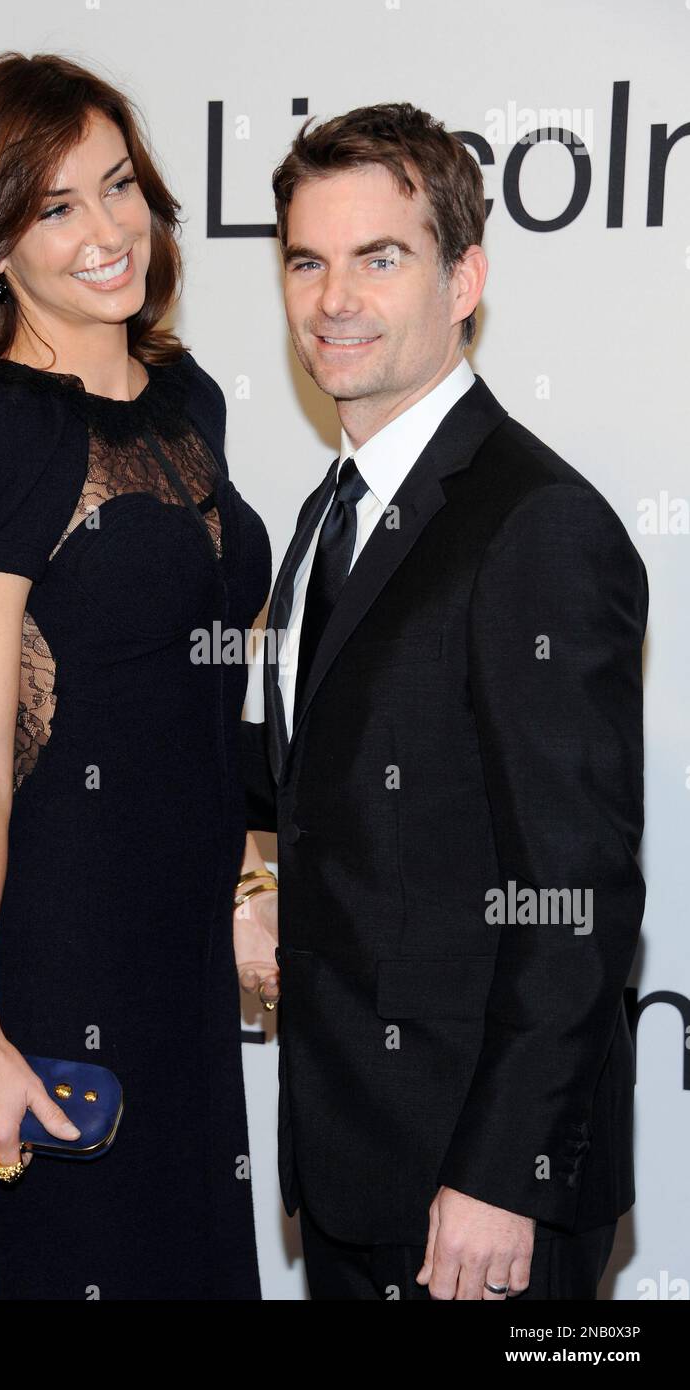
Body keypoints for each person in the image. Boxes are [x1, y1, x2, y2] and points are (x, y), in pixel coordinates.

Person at [238, 102, 648, 1300]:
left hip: (473, 1194)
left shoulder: (535, 525)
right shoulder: (325, 517)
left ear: (462, 277)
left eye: (380, 258)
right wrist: (249, 889)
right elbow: (302, 795)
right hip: (354, 1162)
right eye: (306, 262)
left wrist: (500, 1175)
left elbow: (576, 890)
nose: (333, 300)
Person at [0, 51, 276, 1300]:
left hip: (184, 962)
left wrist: (246, 885)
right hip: (67, 959)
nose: (109, 232)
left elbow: (204, 704)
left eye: (117, 187)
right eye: (54, 208)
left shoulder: (184, 399)